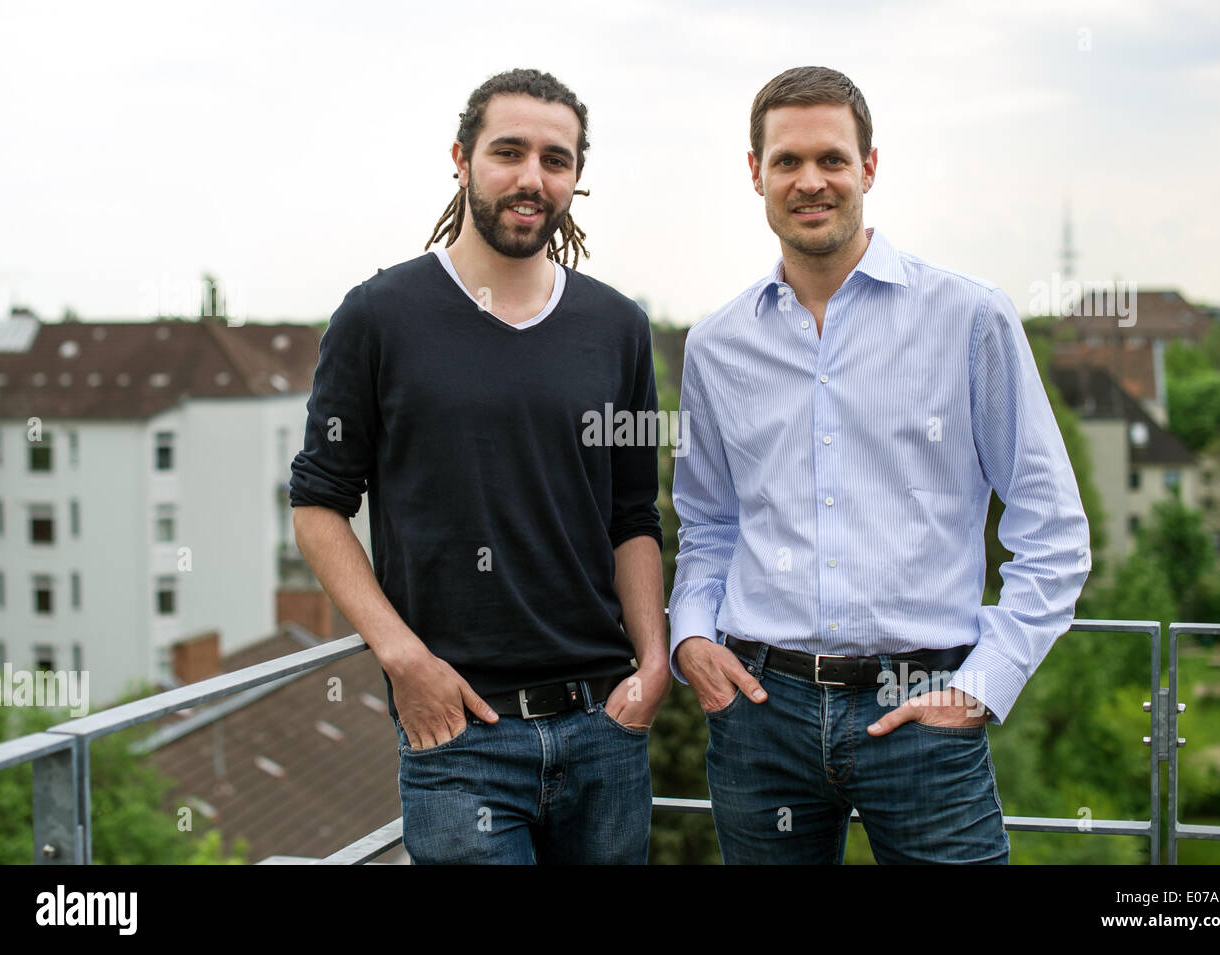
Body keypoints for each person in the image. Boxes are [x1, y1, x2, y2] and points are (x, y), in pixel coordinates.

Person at [668, 65, 1091, 864]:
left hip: (923, 704)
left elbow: (1053, 528)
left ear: (869, 167)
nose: (810, 180)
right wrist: (690, 635)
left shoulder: (969, 317)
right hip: (759, 714)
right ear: (755, 172)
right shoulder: (716, 345)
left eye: (831, 158)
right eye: (787, 161)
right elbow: (710, 523)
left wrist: (986, 680)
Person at [289, 68, 669, 865]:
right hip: (459, 732)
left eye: (556, 160)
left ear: (576, 178)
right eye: (509, 152)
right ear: (460, 158)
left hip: (604, 728)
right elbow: (318, 504)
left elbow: (633, 517)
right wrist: (402, 658)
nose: (533, 178)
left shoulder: (618, 328)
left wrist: (654, 667)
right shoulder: (377, 316)